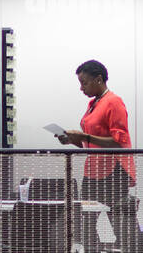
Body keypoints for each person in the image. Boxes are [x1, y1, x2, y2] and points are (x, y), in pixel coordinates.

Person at [56, 59, 135, 207]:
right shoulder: (93, 104)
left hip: (113, 172)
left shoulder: (114, 102)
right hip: (93, 170)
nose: (81, 88)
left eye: (84, 83)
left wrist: (84, 136)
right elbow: (91, 144)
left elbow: (119, 143)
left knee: (120, 225)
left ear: (99, 79)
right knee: (85, 224)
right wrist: (72, 140)